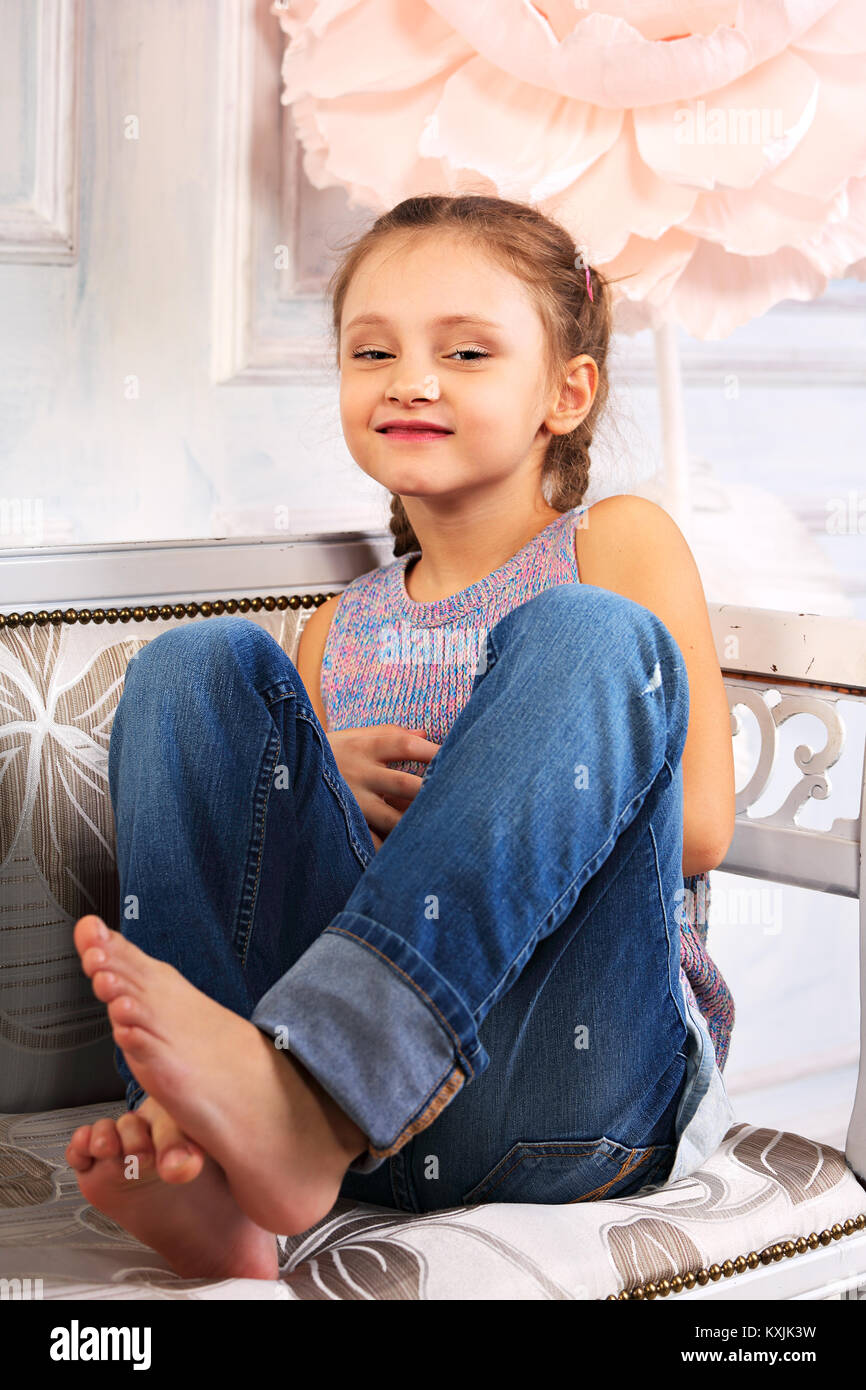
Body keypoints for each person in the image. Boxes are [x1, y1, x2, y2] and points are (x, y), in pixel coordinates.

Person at [65, 194, 736, 1282]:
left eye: (465, 351)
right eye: (371, 349)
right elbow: (284, 876)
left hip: (569, 1086)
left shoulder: (613, 545)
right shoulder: (338, 625)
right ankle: (202, 1154)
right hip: (378, 1146)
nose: (410, 378)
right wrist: (324, 776)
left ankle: (317, 1095)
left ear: (565, 392)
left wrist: (477, 776)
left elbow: (697, 826)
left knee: (585, 635)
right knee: (191, 667)